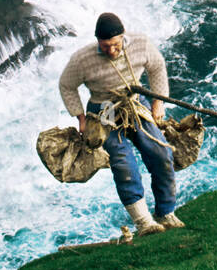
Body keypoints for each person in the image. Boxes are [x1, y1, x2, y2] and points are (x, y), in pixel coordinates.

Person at [58, 12, 183, 235]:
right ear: (98, 42)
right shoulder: (82, 59)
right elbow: (66, 85)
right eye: (105, 46)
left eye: (115, 45)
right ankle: (144, 221)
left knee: (161, 152)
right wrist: (81, 118)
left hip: (134, 102)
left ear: (123, 37)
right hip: (103, 110)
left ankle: (165, 212)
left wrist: (158, 102)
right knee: (123, 160)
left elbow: (157, 67)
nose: (111, 50)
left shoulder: (141, 44)